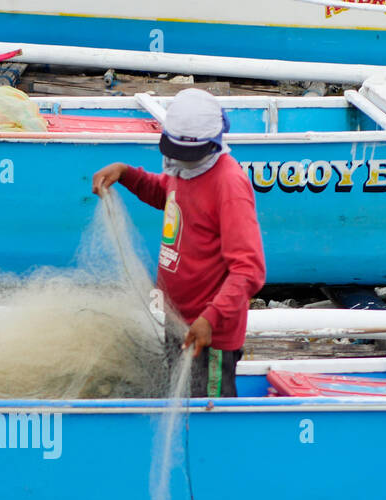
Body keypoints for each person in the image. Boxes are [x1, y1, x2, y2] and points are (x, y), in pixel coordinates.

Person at [91, 88, 265, 398]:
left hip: (210, 336)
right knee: (180, 403)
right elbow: (168, 195)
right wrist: (127, 174)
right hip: (178, 322)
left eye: (188, 155)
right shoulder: (182, 169)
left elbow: (249, 270)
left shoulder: (228, 184)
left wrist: (210, 318)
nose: (181, 161)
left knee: (206, 415)